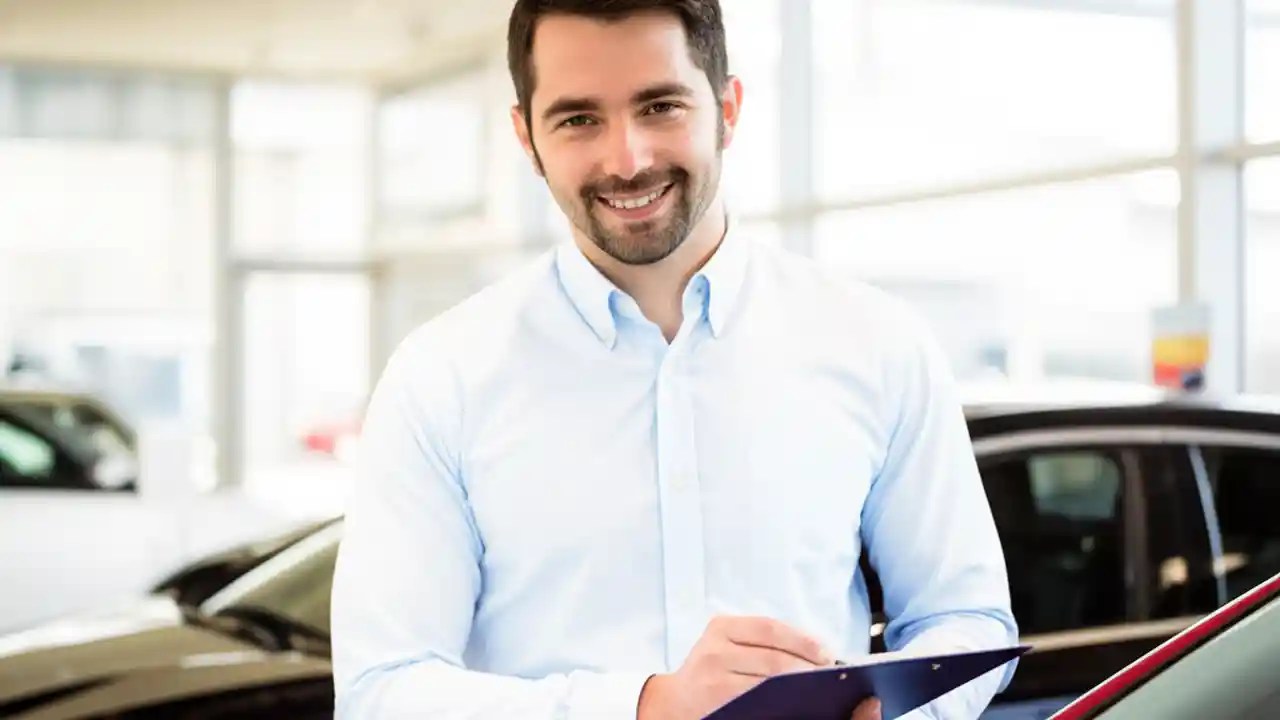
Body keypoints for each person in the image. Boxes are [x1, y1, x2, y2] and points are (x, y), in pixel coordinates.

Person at [330, 0, 1018, 718]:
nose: (627, 159)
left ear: (728, 109)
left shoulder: (879, 344)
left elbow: (967, 619)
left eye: (660, 106)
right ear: (525, 137)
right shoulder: (440, 377)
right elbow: (384, 690)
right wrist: (645, 707)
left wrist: (903, 714)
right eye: (577, 119)